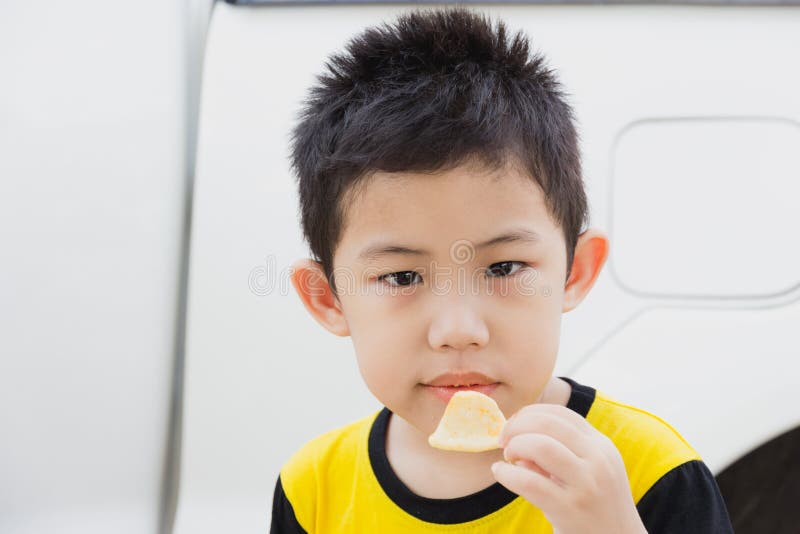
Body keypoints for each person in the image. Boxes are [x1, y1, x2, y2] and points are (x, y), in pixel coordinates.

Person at [271, 7, 733, 533]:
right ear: (328, 299)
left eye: (504, 266)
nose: (459, 330)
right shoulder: (313, 490)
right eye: (402, 277)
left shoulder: (646, 473)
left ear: (574, 271)